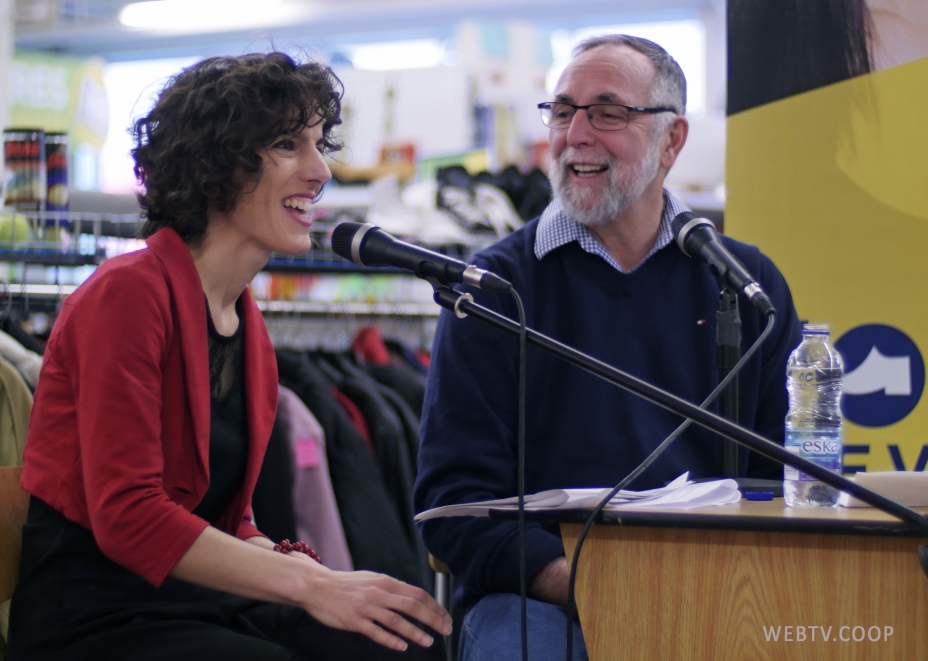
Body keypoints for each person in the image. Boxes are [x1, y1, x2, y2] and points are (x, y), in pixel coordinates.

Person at [7, 52, 450, 660]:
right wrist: (313, 584)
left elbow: (224, 522)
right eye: (290, 144)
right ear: (217, 162)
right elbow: (129, 517)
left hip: (195, 603)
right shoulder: (126, 295)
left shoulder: (247, 325)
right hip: (97, 616)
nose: (321, 170)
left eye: (320, 144)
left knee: (401, 642)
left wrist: (338, 583)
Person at [413, 35, 802, 661]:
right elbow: (454, 498)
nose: (576, 134)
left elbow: (785, 476)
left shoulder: (743, 284)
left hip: (713, 589)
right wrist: (588, 584)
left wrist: (722, 585)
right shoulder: (492, 289)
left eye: (608, 112)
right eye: (563, 112)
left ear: (670, 141)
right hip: (542, 600)